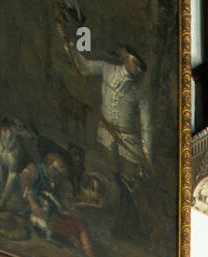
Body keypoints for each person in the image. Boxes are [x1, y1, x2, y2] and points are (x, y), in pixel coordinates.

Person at [58, 28, 152, 238]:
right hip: (106, 134)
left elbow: (147, 126)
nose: (137, 69)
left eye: (139, 67)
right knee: (112, 178)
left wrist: (147, 153)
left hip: (127, 140)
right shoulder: (107, 69)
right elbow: (82, 67)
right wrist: (70, 45)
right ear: (127, 59)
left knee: (126, 187)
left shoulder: (138, 93)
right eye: (135, 64)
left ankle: (126, 227)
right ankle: (118, 223)